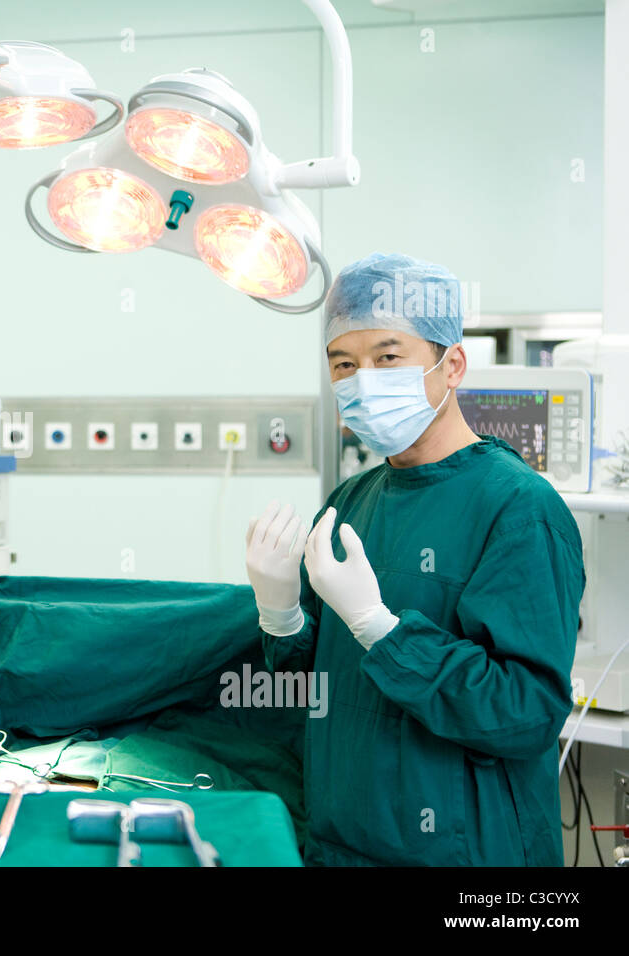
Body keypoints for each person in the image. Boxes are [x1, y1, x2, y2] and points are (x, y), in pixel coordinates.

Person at [244, 252, 584, 866]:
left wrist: (381, 629)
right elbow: (313, 690)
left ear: (451, 363)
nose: (362, 379)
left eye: (388, 356)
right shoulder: (351, 501)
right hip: (342, 840)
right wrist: (282, 615)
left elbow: (525, 712)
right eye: (344, 363)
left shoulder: (518, 509)